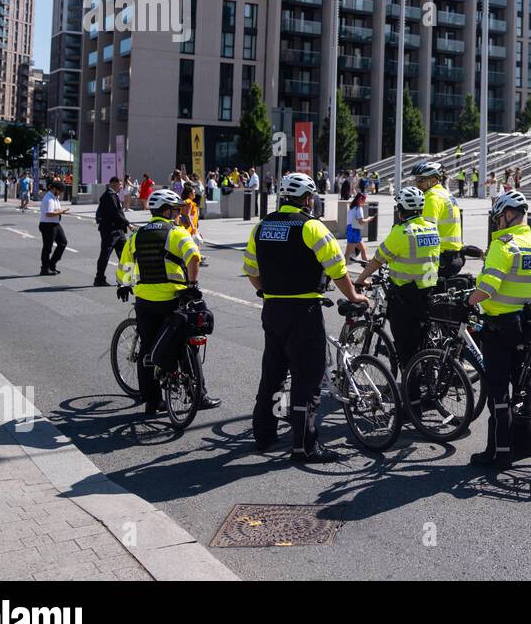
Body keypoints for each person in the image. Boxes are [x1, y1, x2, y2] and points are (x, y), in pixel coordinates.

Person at [243, 172, 367, 463]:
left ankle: (265, 434)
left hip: (273, 311)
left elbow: (251, 269)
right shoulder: (311, 227)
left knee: (273, 375)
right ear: (308, 199)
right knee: (306, 379)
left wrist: (267, 292)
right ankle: (304, 446)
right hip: (303, 312)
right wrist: (354, 296)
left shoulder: (261, 227)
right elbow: (337, 269)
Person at [115, 189, 220, 414]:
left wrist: (123, 284)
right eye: (175, 210)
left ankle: (152, 402)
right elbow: (193, 256)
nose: (178, 214)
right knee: (183, 344)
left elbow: (125, 265)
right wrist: (192, 285)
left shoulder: (137, 235)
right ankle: (198, 396)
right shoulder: (176, 233)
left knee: (147, 348)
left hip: (145, 300)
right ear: (167, 211)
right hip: (173, 299)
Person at [468, 190, 531, 470]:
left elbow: (487, 288)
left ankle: (498, 453)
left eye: (498, 217)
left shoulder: (504, 246)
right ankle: (524, 445)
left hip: (499, 327)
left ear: (509, 214)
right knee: (522, 389)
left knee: (498, 391)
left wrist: (468, 300)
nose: (497, 223)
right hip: (525, 324)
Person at [356, 186, 440, 372]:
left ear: (400, 210)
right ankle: (427, 384)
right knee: (422, 346)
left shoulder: (402, 232)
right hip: (427, 295)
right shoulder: (432, 229)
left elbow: (378, 259)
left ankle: (412, 396)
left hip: (405, 298)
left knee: (406, 351)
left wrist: (360, 280)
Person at [411, 160, 463, 278]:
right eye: (416, 179)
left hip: (440, 258)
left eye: (421, 180)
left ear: (434, 180)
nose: (417, 183)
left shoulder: (432, 198)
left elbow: (425, 233)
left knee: (415, 292)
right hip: (453, 256)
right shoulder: (445, 194)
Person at [94, 176, 131, 287]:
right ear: (113, 184)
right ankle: (99, 278)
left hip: (117, 230)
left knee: (125, 254)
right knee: (105, 254)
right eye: (120, 184)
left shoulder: (112, 195)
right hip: (110, 230)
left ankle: (126, 279)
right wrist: (128, 223)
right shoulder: (109, 196)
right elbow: (115, 213)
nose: (121, 187)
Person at [38, 181, 69, 276]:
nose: (60, 193)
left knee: (63, 242)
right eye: (59, 191)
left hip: (55, 224)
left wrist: (60, 211)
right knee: (47, 247)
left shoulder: (55, 198)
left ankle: (52, 264)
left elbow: (55, 211)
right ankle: (44, 268)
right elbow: (49, 213)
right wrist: (61, 212)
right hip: (47, 225)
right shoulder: (49, 199)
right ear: (54, 189)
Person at [345, 192, 368, 264]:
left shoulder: (352, 207)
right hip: (354, 231)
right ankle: (340, 270)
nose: (365, 201)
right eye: (364, 200)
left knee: (363, 249)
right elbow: (361, 221)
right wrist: (369, 219)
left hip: (350, 229)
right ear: (360, 199)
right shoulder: (359, 208)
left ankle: (366, 266)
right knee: (348, 253)